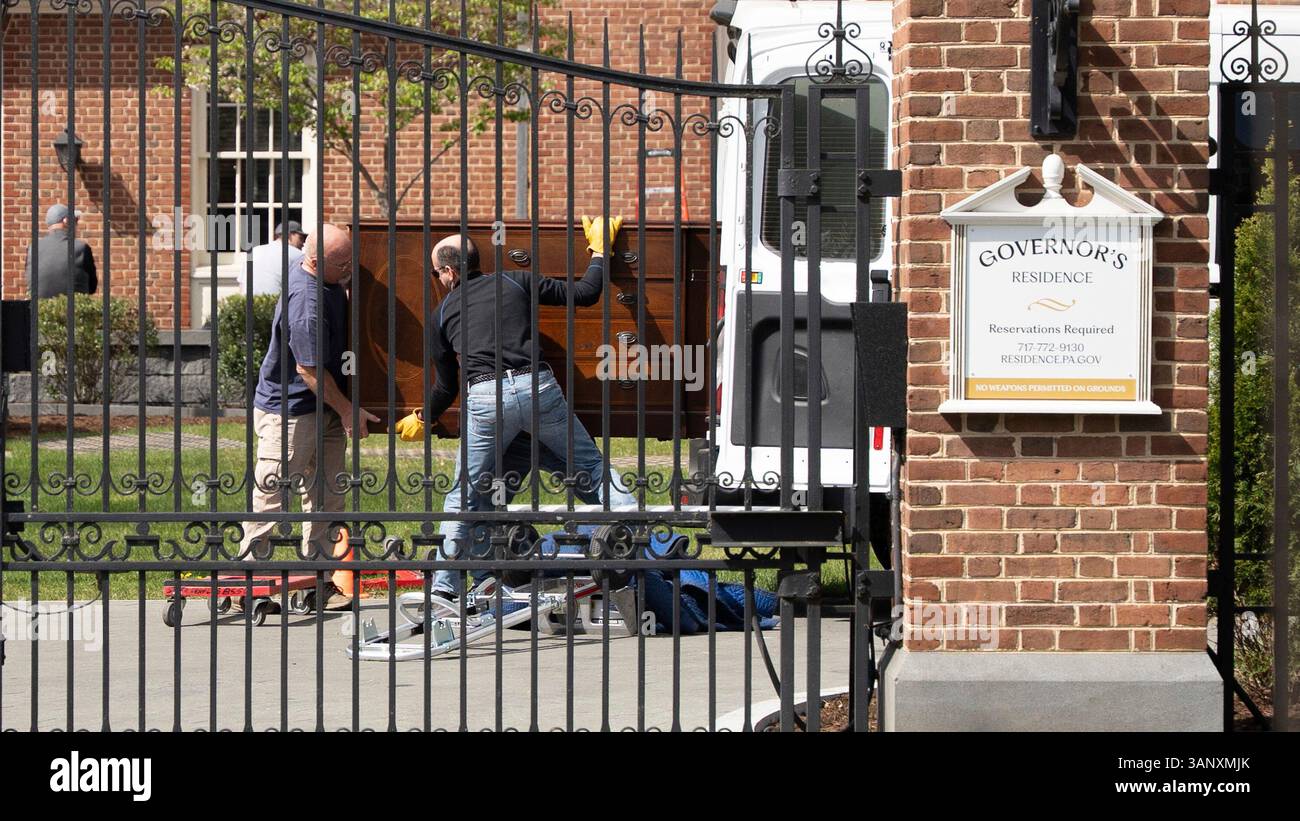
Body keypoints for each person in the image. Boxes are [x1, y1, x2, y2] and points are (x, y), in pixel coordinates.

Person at [394, 220, 635, 602]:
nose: (438, 279)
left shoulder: (442, 314)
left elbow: (447, 385)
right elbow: (586, 293)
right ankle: (634, 531)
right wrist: (600, 252)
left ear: (450, 271)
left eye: (437, 273)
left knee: (464, 493)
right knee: (590, 467)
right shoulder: (515, 281)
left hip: (486, 399)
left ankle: (445, 586)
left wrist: (424, 416)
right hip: (537, 388)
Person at [240, 223, 378, 610]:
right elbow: (309, 370)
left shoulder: (322, 275)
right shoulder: (306, 303)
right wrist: (348, 410)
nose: (350, 268)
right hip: (291, 411)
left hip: (325, 405)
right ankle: (248, 583)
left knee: (327, 497)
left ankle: (320, 581)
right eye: (343, 264)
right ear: (315, 261)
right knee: (273, 493)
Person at [25, 204, 97, 298]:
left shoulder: (32, 248)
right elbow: (92, 287)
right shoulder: (81, 247)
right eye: (75, 221)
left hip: (39, 306)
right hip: (74, 307)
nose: (76, 225)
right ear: (66, 221)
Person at [247, 220, 307, 297]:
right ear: (289, 236)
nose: (303, 243)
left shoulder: (254, 251)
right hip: (276, 301)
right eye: (301, 238)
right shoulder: (297, 255)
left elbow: (242, 284)